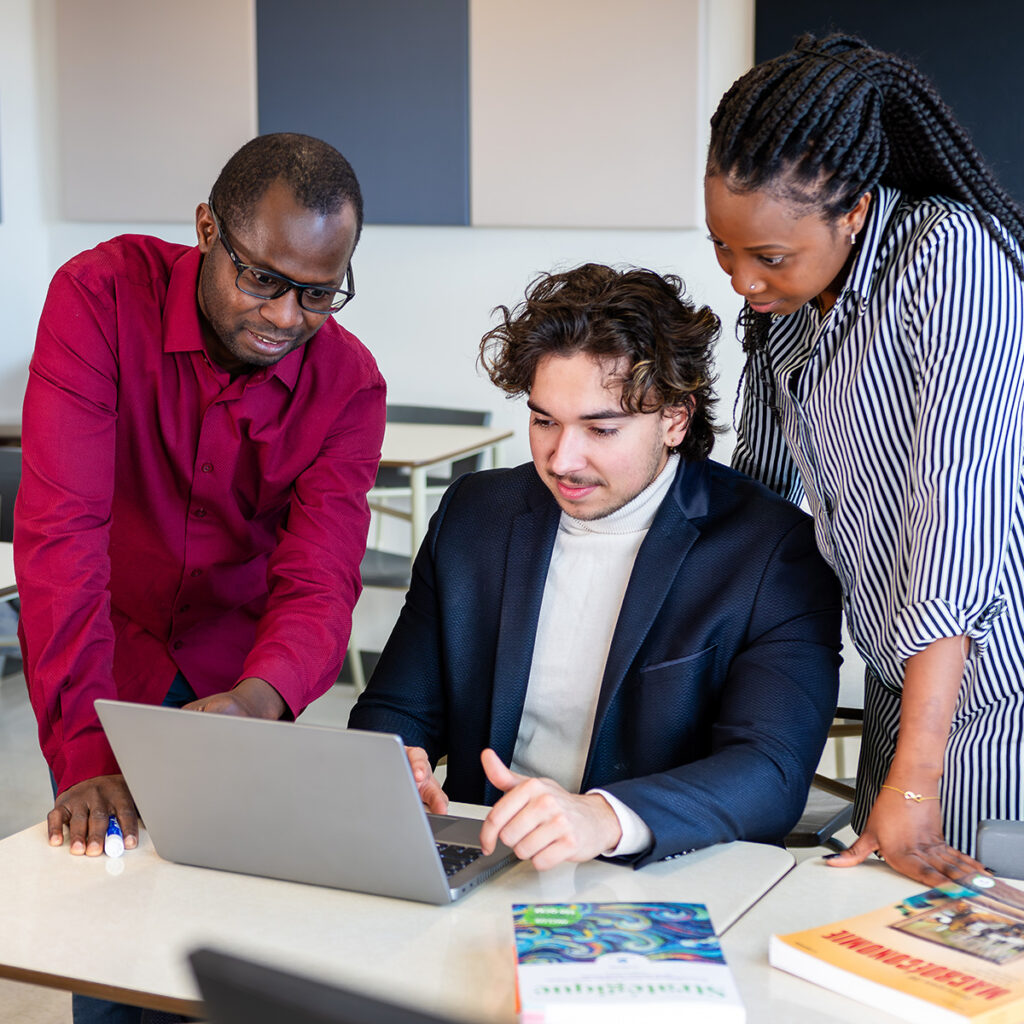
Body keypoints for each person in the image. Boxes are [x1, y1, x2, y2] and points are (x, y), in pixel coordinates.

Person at [350, 263, 841, 869]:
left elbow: (770, 769)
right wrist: (399, 760)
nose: (562, 459)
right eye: (543, 421)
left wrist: (603, 818)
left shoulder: (771, 550)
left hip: (665, 870)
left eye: (600, 429)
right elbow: (397, 706)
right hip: (491, 859)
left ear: (675, 420)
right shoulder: (475, 516)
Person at [704, 33, 1024, 888]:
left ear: (852, 213)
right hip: (898, 669)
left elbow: (955, 514)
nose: (742, 280)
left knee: (977, 932)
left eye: (768, 256)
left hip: (996, 679)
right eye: (722, 248)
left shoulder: (953, 258)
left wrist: (916, 780)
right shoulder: (789, 304)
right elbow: (760, 492)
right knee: (887, 921)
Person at [16, 133, 385, 855]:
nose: (286, 317)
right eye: (263, 281)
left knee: (230, 899)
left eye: (318, 293)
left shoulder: (349, 385)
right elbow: (64, 538)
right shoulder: (101, 299)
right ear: (208, 230)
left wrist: (260, 699)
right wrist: (85, 755)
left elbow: (320, 576)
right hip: (102, 661)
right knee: (97, 902)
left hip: (241, 674)